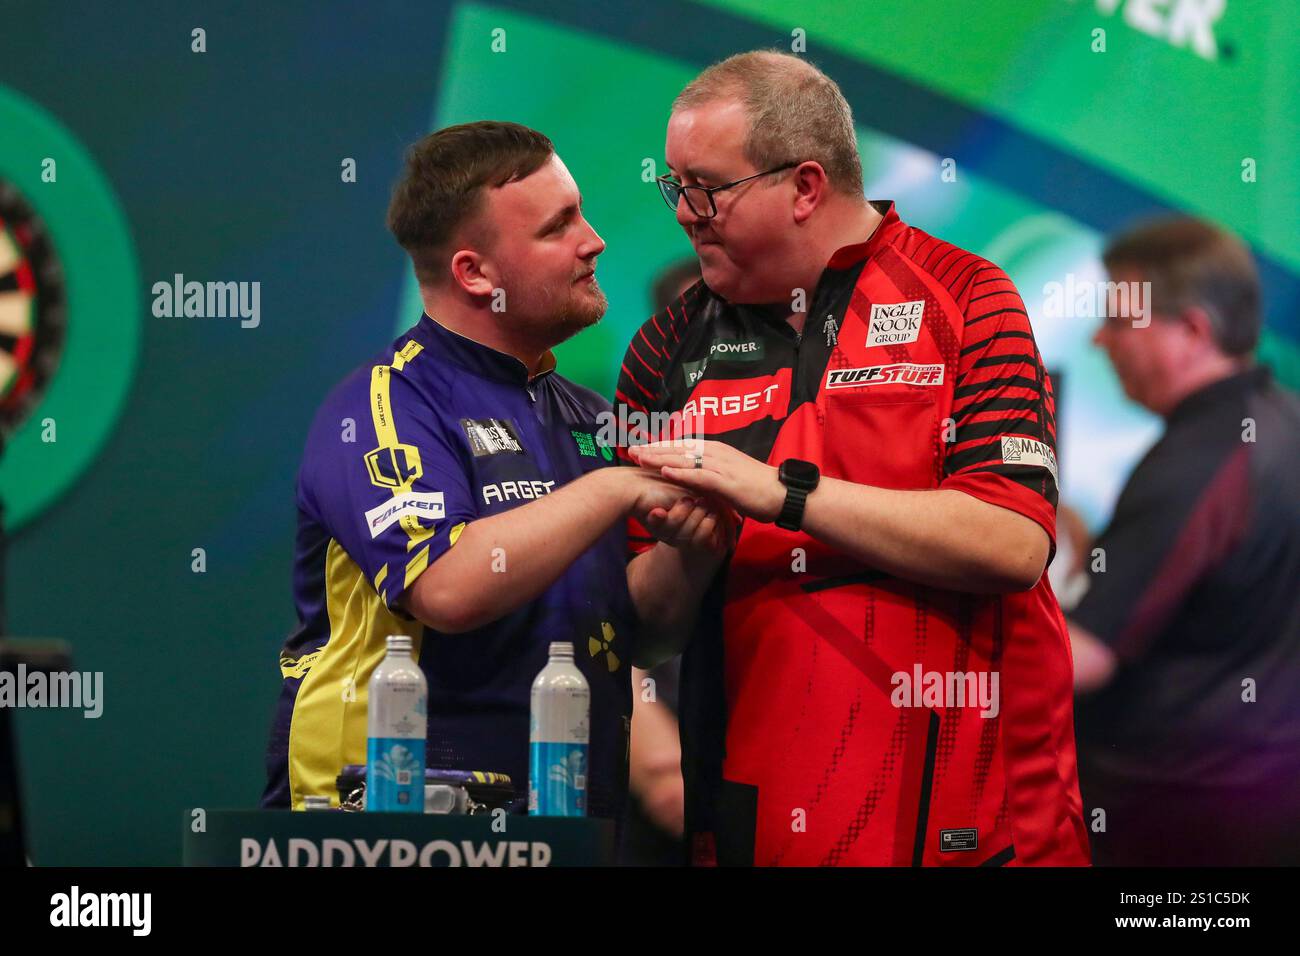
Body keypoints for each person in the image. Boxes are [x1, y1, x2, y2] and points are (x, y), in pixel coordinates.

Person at [616, 51, 1089, 866]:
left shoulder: (970, 297)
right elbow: (645, 630)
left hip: (975, 826)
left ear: (805, 186)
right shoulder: (665, 346)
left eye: (708, 187)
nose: (686, 213)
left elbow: (1013, 542)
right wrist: (686, 553)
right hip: (751, 824)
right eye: (674, 186)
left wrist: (781, 494)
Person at [260, 121, 729, 821]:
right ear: (475, 273)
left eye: (582, 211)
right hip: (383, 826)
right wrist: (613, 488)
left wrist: (688, 550)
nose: (593, 240)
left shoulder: (587, 415)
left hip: (565, 826)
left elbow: (636, 637)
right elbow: (446, 588)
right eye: (558, 226)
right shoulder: (382, 404)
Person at [1070, 217, 1300, 865]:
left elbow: (1084, 656)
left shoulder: (1201, 457)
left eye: (1119, 320)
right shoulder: (1280, 421)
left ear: (1192, 332)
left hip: (1170, 822)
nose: (1098, 338)